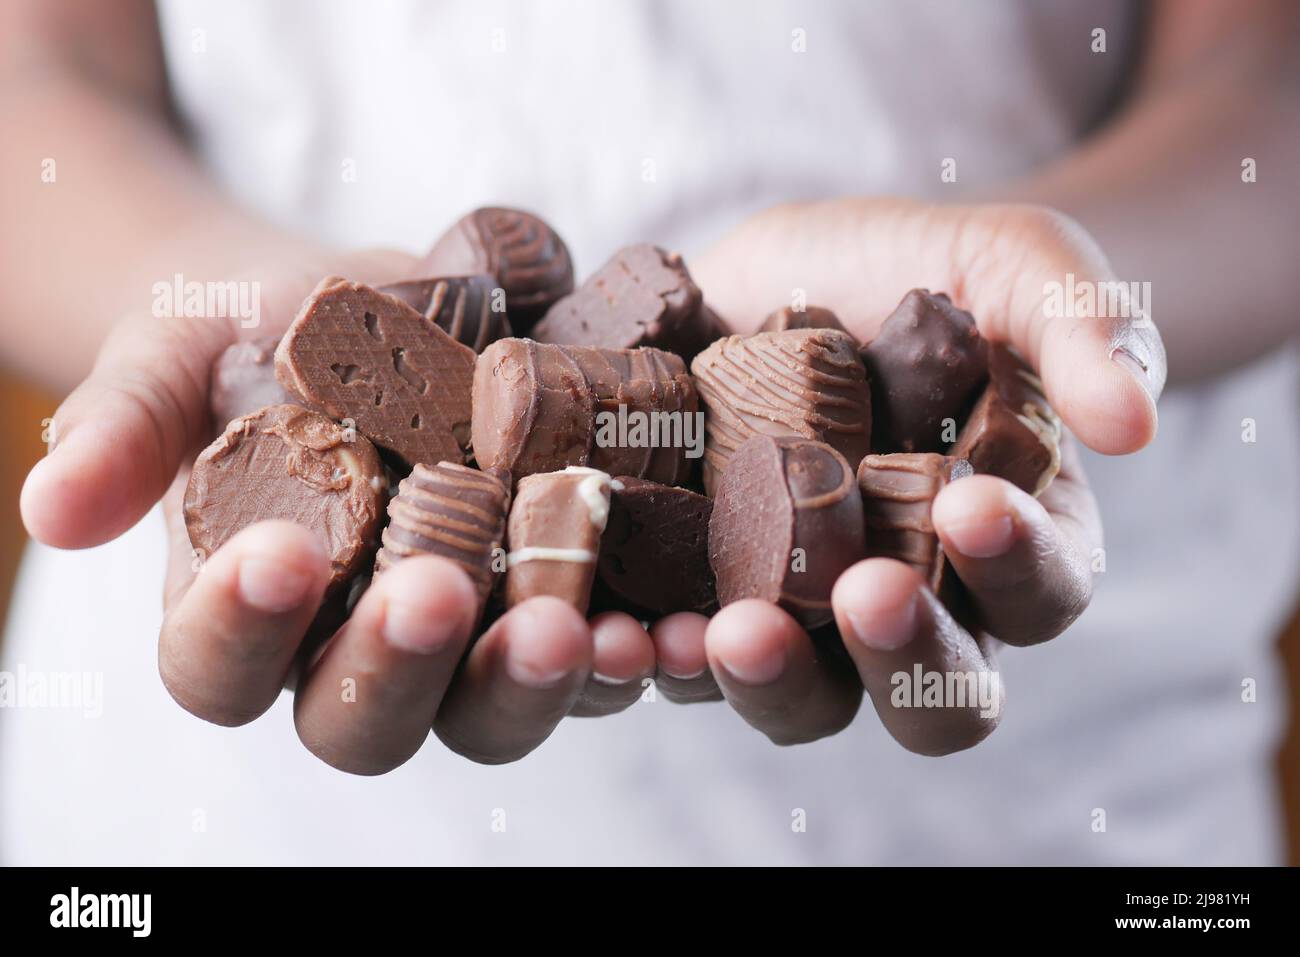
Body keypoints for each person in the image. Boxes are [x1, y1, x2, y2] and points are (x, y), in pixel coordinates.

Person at [1, 0, 1295, 865]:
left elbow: (1262, 80)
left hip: (1072, 796)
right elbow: (38, 77)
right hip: (209, 824)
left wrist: (1058, 287)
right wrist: (210, 297)